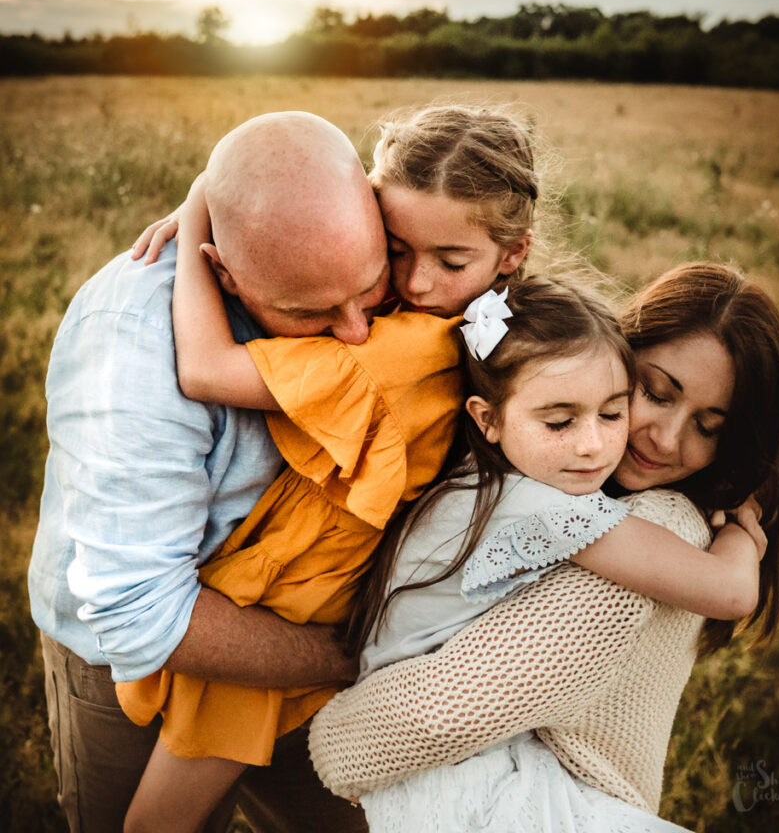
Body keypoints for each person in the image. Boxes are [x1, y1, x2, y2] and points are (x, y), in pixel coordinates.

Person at [117, 104, 539, 832]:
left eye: (450, 261)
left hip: (286, 603)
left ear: (512, 252)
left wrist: (197, 221)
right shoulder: (502, 324)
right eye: (395, 248)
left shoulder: (404, 349)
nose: (417, 283)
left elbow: (209, 371)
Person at [310, 263, 779, 829]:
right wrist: (743, 530)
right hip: (449, 767)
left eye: (709, 427)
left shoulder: (505, 465)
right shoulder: (550, 505)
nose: (664, 438)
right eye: (654, 393)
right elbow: (733, 591)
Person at [28, 110, 392, 833]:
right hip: (140, 667)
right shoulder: (133, 348)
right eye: (311, 311)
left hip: (306, 623)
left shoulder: (357, 241)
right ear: (220, 267)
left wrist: (200, 193)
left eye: (372, 288)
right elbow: (139, 615)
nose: (356, 333)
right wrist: (357, 655)